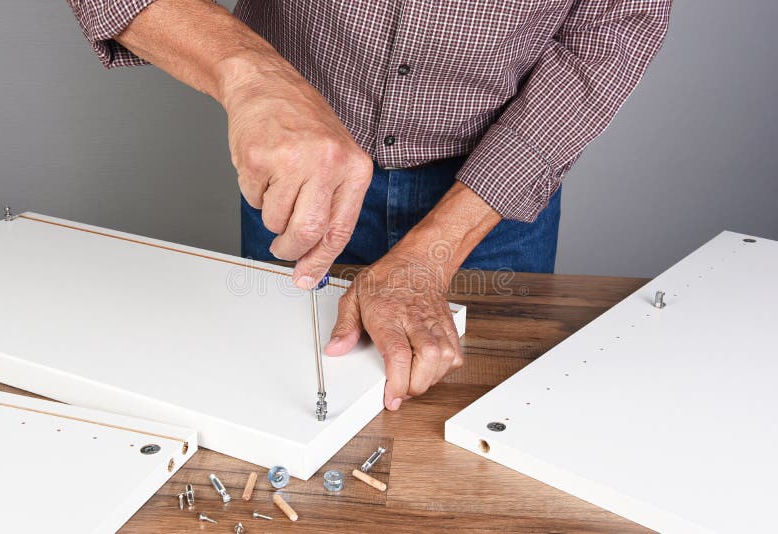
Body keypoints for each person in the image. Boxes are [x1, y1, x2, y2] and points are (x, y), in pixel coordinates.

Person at [67, 0, 671, 411]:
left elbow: (619, 24)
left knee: (490, 427)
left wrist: (440, 246)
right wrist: (254, 78)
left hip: (497, 186)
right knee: (278, 394)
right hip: (302, 171)